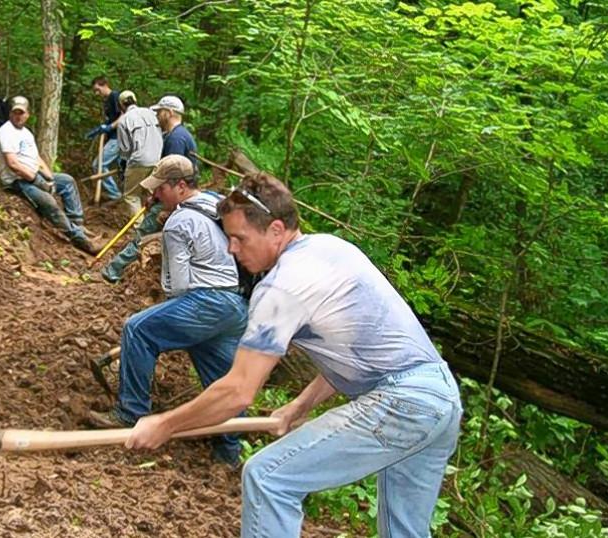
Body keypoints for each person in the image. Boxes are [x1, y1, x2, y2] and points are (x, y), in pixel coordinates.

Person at [124, 173, 463, 538]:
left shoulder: (281, 286)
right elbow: (356, 355)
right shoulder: (330, 249)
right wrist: (301, 404)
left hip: (403, 403)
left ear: (275, 229)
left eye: (239, 239)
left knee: (269, 479)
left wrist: (165, 424)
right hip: (440, 398)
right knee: (403, 532)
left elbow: (238, 391)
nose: (231, 250)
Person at [89, 155, 247, 468]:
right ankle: (229, 451)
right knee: (221, 379)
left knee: (138, 329)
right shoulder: (216, 204)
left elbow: (178, 287)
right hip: (235, 307)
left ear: (181, 186)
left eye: (160, 189)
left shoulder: (178, 223)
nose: (154, 195)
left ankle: (130, 412)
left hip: (205, 301)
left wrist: (170, 320)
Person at [100, 95, 196, 283]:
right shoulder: (179, 135)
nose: (157, 115)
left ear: (169, 113)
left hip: (171, 199)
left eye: (160, 111)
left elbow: (171, 176)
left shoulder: (175, 139)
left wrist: (157, 199)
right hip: (176, 198)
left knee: (144, 234)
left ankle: (113, 271)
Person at [0, 96, 98, 255]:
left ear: (28, 114)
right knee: (48, 201)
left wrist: (49, 177)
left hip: (33, 174)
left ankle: (77, 223)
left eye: (22, 113)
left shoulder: (26, 133)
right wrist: (37, 181)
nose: (18, 116)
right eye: (15, 112)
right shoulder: (6, 132)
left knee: (67, 181)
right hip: (17, 180)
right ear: (10, 113)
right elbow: (13, 164)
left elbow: (36, 158)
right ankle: (79, 239)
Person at [114, 90, 163, 216]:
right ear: (135, 101)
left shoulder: (124, 120)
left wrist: (124, 168)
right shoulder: (151, 113)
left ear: (121, 106)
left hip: (138, 161)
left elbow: (125, 151)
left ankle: (139, 230)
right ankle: (155, 224)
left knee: (131, 196)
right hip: (158, 159)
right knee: (152, 194)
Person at [84, 76, 124, 201]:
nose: (97, 93)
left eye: (98, 89)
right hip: (113, 137)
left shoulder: (115, 96)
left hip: (119, 138)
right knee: (121, 168)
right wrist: (101, 128)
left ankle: (115, 195)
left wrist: (109, 127)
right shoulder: (106, 101)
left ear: (105, 85)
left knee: (98, 165)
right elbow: (110, 119)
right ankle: (123, 197)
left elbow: (124, 115)